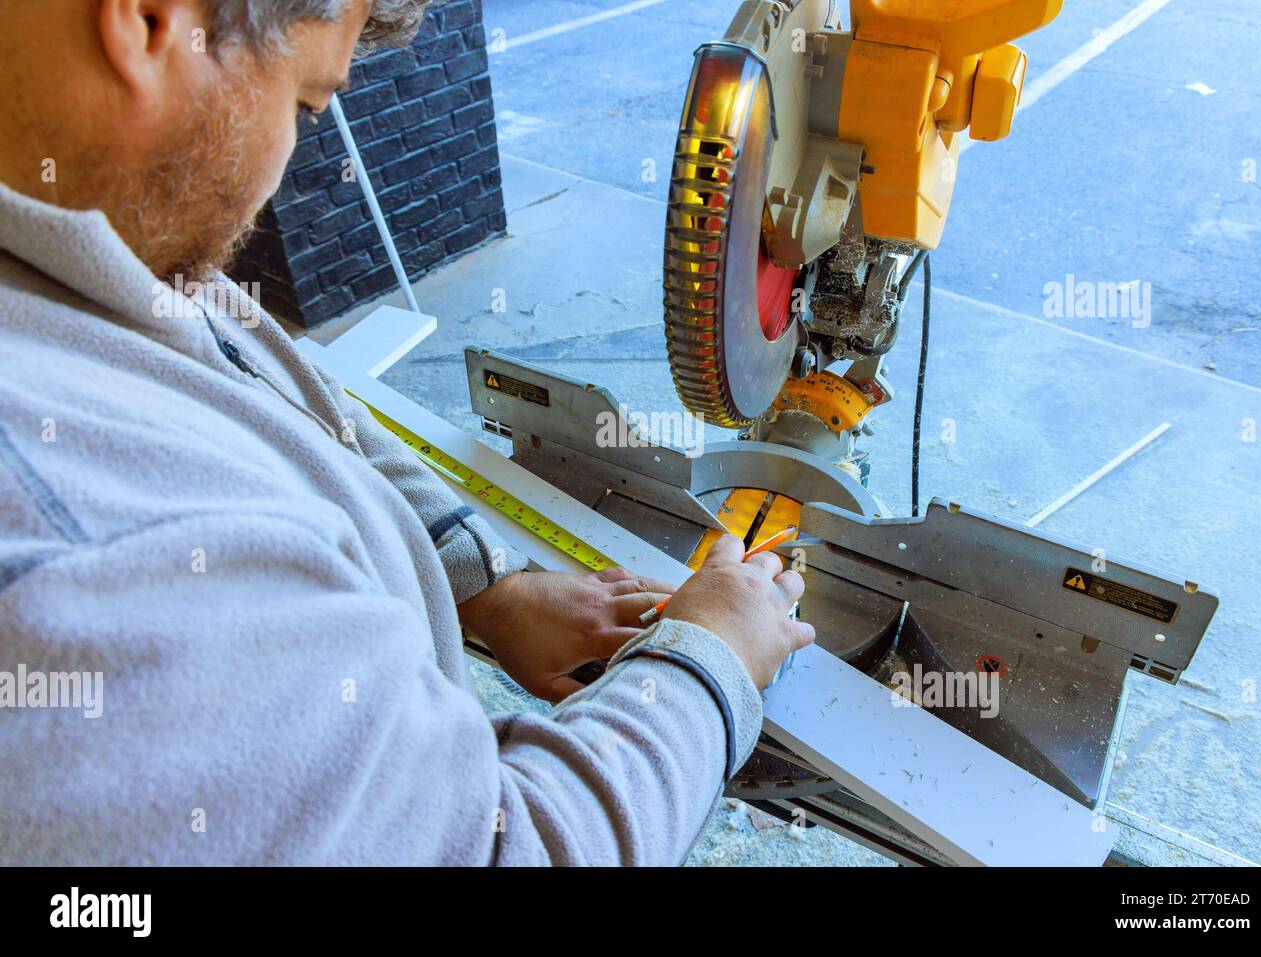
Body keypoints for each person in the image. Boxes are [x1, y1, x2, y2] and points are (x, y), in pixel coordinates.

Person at [0, 0, 813, 865]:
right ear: (149, 21)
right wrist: (709, 658)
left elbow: (286, 389)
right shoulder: (89, 573)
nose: (290, 157)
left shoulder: (88, 237)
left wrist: (487, 587)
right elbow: (513, 846)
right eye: (306, 103)